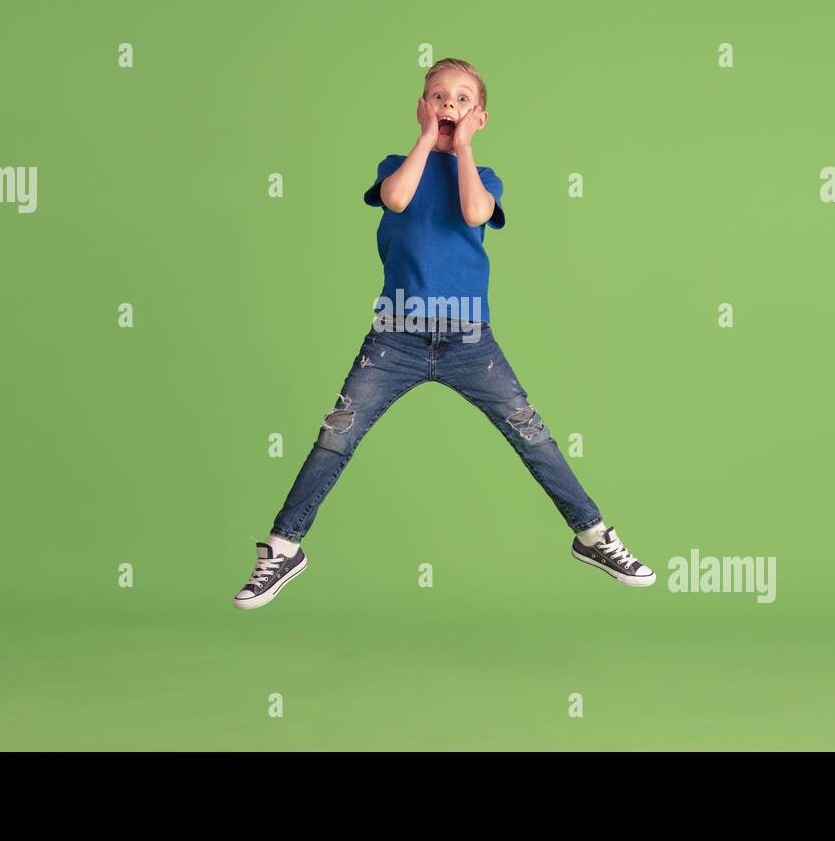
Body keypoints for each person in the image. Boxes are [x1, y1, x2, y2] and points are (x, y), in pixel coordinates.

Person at [233, 58, 655, 610]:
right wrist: (427, 139)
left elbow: (475, 211)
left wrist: (463, 150)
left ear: (480, 115)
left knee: (530, 432)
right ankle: (284, 547)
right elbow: (397, 200)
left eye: (461, 99)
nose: (448, 105)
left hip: (468, 342)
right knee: (338, 433)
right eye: (437, 96)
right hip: (395, 337)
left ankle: (593, 535)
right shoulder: (395, 165)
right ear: (422, 107)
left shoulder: (484, 177)